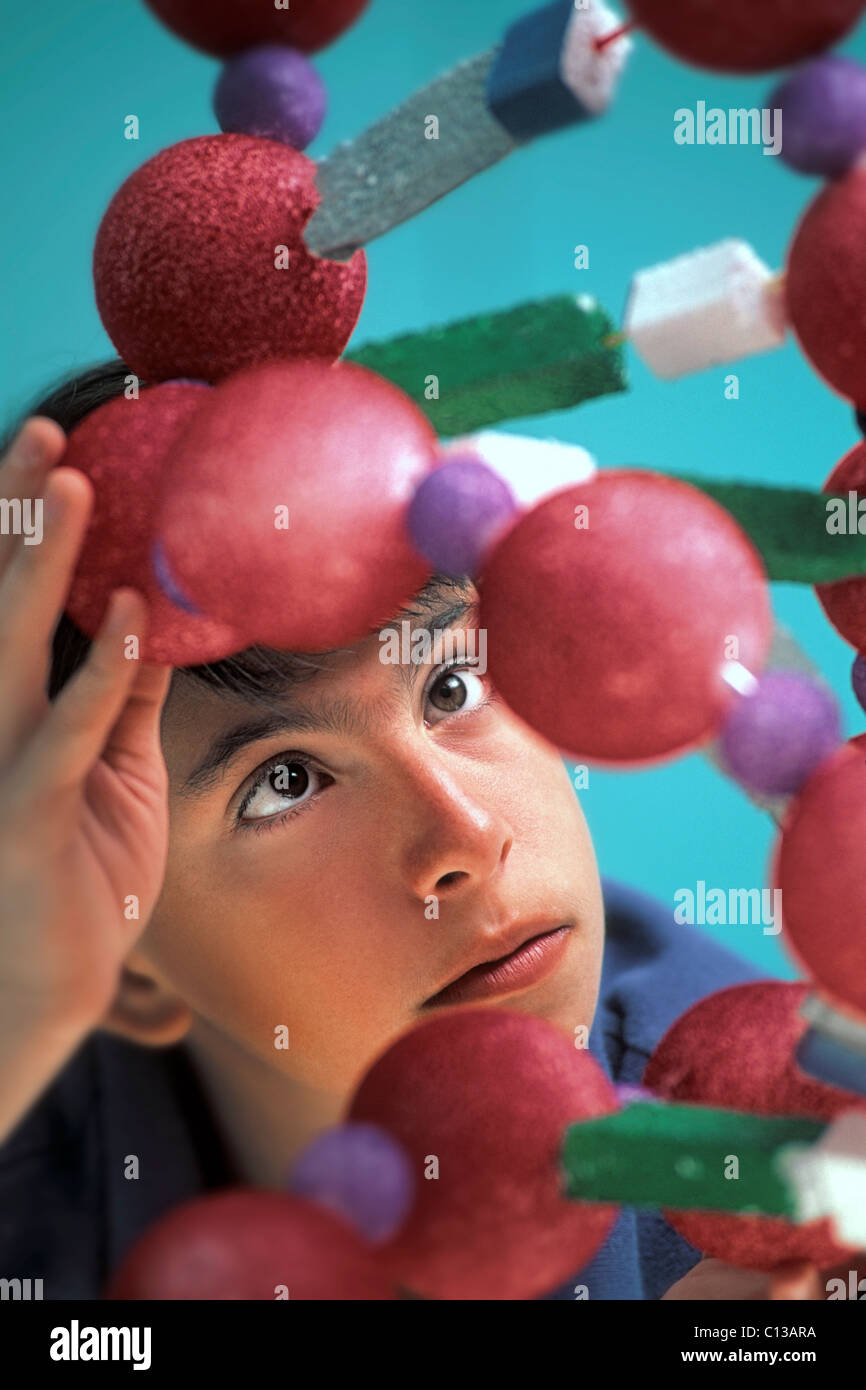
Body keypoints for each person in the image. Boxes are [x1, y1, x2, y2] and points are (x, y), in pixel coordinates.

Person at [0, 362, 827, 1301]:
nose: (465, 836)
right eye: (282, 783)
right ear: (122, 963)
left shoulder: (781, 1160)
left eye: (451, 686)